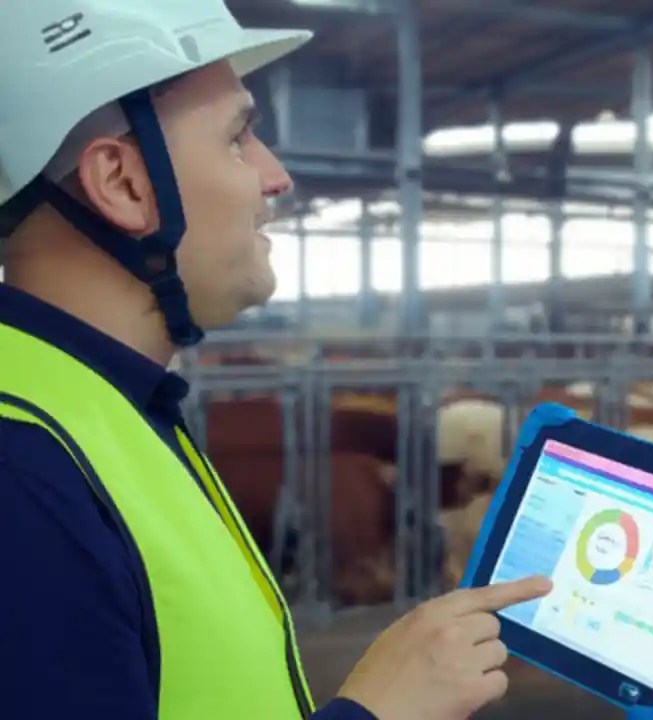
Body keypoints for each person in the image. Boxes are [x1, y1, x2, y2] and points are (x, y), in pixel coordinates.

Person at [0, 2, 551, 718]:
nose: (276, 176)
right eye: (240, 137)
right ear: (125, 184)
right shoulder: (25, 475)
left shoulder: (96, 412)